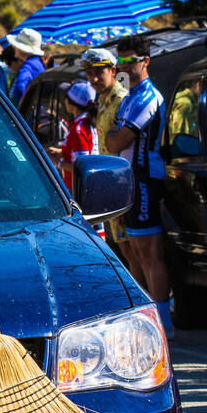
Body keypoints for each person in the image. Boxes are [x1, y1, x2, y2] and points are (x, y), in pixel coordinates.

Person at [104, 35, 173, 337]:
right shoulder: (129, 96)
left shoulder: (147, 96)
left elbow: (117, 139)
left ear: (146, 61)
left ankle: (163, 322)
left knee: (150, 253)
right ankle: (144, 317)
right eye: (122, 61)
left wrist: (115, 134)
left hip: (145, 178)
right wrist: (114, 135)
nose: (125, 66)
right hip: (129, 178)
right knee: (132, 251)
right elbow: (110, 139)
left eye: (132, 60)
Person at [83, 47, 131, 261]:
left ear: (113, 70)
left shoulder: (122, 99)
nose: (93, 79)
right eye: (89, 74)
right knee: (126, 253)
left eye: (98, 73)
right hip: (111, 184)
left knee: (135, 253)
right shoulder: (102, 99)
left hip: (124, 182)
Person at [47, 80, 100, 193]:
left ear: (72, 103)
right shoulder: (83, 122)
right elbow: (80, 153)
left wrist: (57, 162)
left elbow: (81, 167)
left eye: (66, 97)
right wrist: (60, 152)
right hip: (80, 186)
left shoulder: (79, 128)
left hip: (78, 188)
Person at [6, 28, 46, 108]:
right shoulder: (37, 63)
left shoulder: (29, 65)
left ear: (21, 49)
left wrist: (22, 109)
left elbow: (20, 86)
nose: (13, 48)